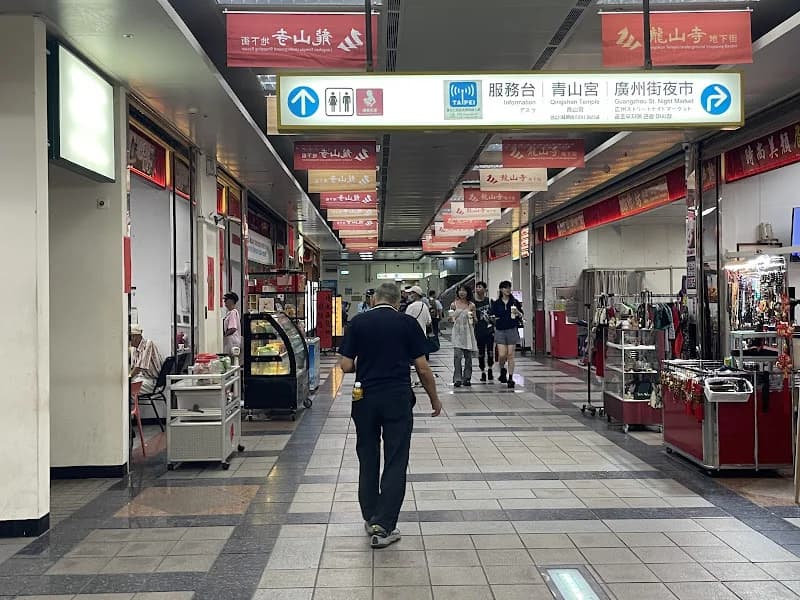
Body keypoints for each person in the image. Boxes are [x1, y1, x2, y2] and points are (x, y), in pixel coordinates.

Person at [338, 282, 442, 549]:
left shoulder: (358, 323)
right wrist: (434, 399)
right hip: (397, 398)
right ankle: (384, 525)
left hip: (365, 399)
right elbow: (423, 368)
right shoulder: (407, 324)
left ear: (374, 300)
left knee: (367, 457)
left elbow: (346, 365)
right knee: (396, 459)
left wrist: (367, 362)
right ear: (398, 302)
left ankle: (371, 516)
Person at [491, 281, 524, 389]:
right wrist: (494, 320)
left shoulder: (514, 302)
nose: (507, 290)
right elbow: (492, 316)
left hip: (512, 329)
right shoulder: (496, 303)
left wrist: (518, 313)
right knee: (502, 355)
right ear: (501, 290)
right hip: (500, 330)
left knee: (510, 355)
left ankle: (510, 378)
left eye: (509, 287)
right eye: (505, 288)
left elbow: (521, 315)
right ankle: (502, 369)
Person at [449, 284, 477, 387]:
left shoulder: (471, 305)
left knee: (468, 357)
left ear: (468, 292)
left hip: (468, 333)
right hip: (457, 332)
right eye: (460, 290)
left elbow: (475, 321)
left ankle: (467, 378)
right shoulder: (453, 305)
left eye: (464, 290)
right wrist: (451, 317)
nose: (462, 292)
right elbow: (450, 320)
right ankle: (457, 379)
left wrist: (473, 317)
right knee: (457, 356)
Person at [130, 324, 164, 394]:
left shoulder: (148, 344)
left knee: (127, 389)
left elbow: (138, 368)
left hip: (152, 381)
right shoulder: (134, 348)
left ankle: (134, 405)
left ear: (135, 337)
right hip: (143, 378)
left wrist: (127, 378)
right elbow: (132, 367)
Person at [473, 281, 495, 382]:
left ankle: (490, 369)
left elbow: (495, 315)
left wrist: (492, 319)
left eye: (480, 287)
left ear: (485, 290)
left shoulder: (490, 301)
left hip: (489, 330)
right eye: (477, 287)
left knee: (490, 351)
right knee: (481, 352)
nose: (478, 289)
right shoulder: (473, 303)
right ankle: (483, 371)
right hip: (479, 330)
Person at [223, 292, 242, 357]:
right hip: (233, 341)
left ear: (231, 301)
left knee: (231, 360)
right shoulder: (233, 312)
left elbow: (233, 328)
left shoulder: (232, 313)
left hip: (232, 342)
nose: (225, 303)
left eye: (226, 300)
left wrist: (225, 335)